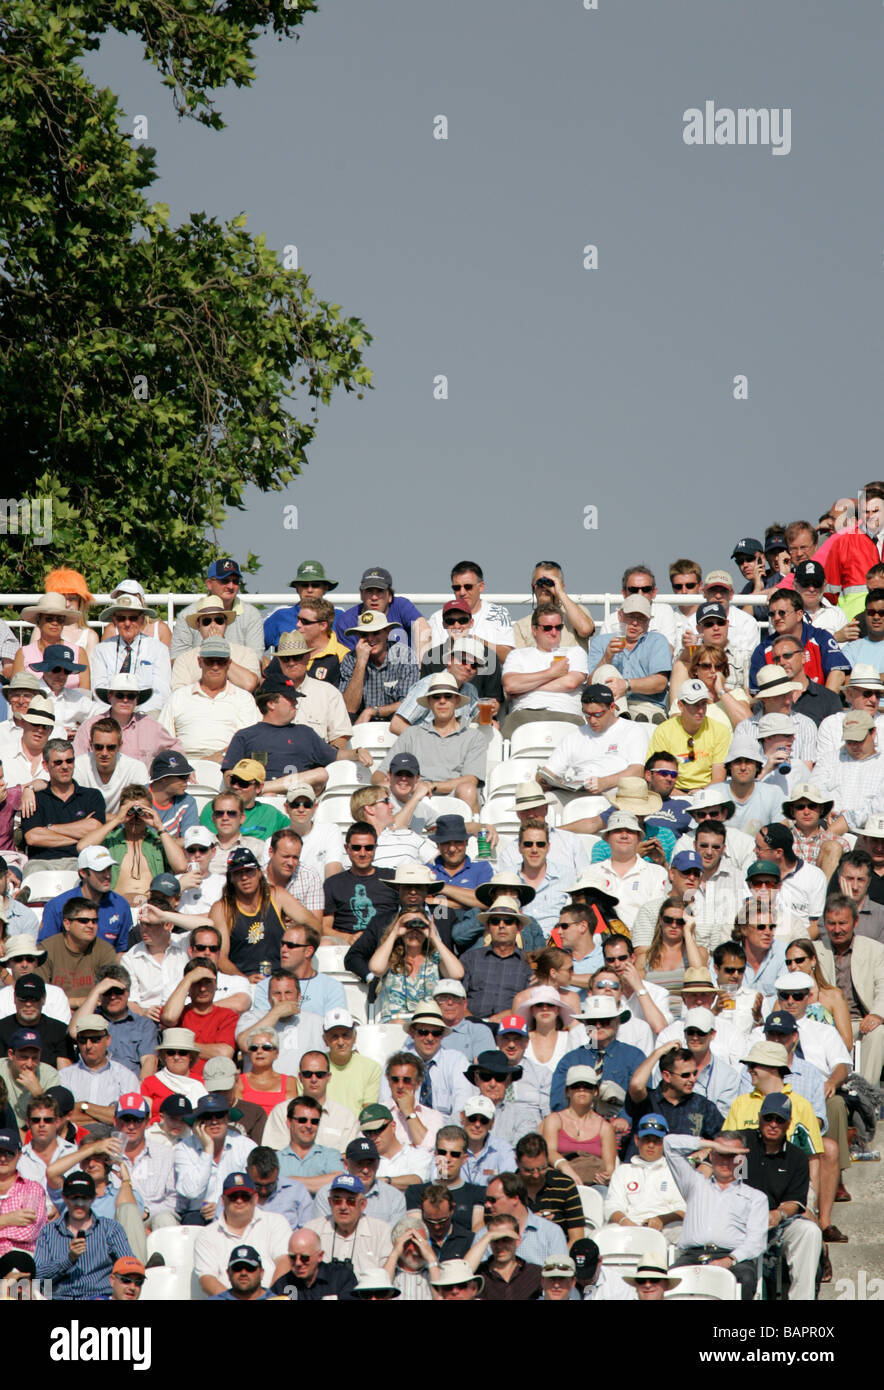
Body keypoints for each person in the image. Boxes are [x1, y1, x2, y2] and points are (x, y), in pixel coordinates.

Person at [736, 1093, 824, 1301]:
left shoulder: (798, 1157)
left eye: (780, 1120)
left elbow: (795, 1202)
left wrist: (779, 1214)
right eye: (769, 1118)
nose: (773, 1124)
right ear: (759, 1117)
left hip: (777, 1224)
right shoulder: (741, 1142)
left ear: (788, 1123)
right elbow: (716, 1158)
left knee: (809, 1231)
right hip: (739, 1222)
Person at [664, 1131, 768, 1300]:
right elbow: (669, 1144)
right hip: (692, 1256)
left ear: (741, 1159)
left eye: (732, 1155)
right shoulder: (694, 1184)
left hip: (734, 1260)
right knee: (666, 1279)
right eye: (721, 1153)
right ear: (711, 1156)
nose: (725, 1161)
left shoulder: (756, 1197)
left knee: (746, 1279)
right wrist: (710, 1144)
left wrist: (729, 1260)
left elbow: (756, 1242)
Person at [380, 673, 487, 814]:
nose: (442, 701)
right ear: (429, 703)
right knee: (381, 787)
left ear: (456, 701)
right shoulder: (412, 734)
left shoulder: (474, 736)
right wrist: (394, 783)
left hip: (454, 798)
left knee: (467, 789)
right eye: (436, 697)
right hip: (414, 797)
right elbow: (379, 774)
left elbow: (471, 780)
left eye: (448, 696)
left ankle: (472, 834)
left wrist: (431, 786)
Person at [75, 783, 187, 904]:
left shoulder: (159, 840)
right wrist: (117, 819)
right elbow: (82, 847)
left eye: (141, 812)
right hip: (115, 907)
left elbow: (181, 866)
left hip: (151, 908)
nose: (136, 817)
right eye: (130, 812)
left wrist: (159, 826)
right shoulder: (111, 840)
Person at [815, 895, 884, 1085]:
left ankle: (866, 1092)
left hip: (861, 1022)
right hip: (827, 1023)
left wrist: (877, 1015)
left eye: (843, 923)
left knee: (878, 1032)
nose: (837, 930)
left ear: (856, 921)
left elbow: (883, 985)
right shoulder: (815, 950)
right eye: (831, 924)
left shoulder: (875, 950)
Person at [34, 1169, 132, 1300]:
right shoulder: (49, 1232)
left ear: (93, 1199)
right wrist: (68, 1258)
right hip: (59, 1298)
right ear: (64, 1198)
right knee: (15, 1281)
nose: (79, 1204)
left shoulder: (110, 1228)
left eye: (84, 1198)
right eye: (74, 1198)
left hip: (99, 1297)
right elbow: (38, 1278)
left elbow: (128, 1268)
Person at [193, 1170, 291, 1295]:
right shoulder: (206, 1235)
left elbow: (284, 1262)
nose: (239, 1201)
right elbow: (207, 1279)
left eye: (245, 1196)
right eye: (234, 1196)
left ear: (255, 1198)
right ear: (223, 1200)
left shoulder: (276, 1222)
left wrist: (267, 1298)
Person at [159, 641, 259, 762]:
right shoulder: (178, 697)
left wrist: (219, 756)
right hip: (184, 763)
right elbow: (162, 740)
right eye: (209, 661)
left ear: (229, 664)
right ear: (199, 662)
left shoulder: (243, 698)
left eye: (221, 662)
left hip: (228, 762)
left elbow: (249, 740)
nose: (215, 667)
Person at [501, 604, 588, 737]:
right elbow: (510, 685)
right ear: (534, 630)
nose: (554, 633)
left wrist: (525, 687)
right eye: (547, 628)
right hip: (524, 714)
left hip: (566, 714)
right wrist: (552, 673)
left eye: (558, 627)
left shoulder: (575, 652)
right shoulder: (517, 655)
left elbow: (570, 683)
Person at [21, 736, 105, 873]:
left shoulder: (91, 796)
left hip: (80, 861)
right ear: (45, 766)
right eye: (58, 762)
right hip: (42, 863)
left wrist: (49, 828)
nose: (65, 766)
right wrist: (81, 838)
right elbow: (33, 837)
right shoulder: (35, 798)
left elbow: (95, 828)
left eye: (69, 761)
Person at [549, 994, 645, 1112]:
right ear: (585, 1024)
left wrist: (624, 1119)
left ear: (617, 1022)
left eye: (604, 1021)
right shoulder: (570, 1060)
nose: (598, 1026)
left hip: (623, 1127)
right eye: (592, 1022)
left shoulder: (634, 1056)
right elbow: (558, 1102)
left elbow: (643, 1098)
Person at [369, 910, 463, 1024]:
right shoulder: (390, 957)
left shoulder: (435, 958)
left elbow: (457, 974)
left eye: (419, 927)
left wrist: (434, 936)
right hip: (394, 1024)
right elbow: (375, 968)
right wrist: (394, 933)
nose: (414, 932)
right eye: (409, 926)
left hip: (429, 1025)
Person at [627, 1044, 724, 1155]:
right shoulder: (647, 1101)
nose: (693, 1079)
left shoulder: (703, 1106)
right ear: (667, 1076)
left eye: (695, 1073)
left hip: (686, 1170)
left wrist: (706, 1152)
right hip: (643, 1170)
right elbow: (636, 1085)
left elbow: (724, 1140)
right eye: (685, 1075)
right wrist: (658, 1052)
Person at [587, 594, 671, 718]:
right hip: (610, 707)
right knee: (606, 669)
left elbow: (660, 683)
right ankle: (623, 717)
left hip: (647, 706)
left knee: (647, 716)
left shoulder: (657, 641)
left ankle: (623, 721)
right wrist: (607, 658)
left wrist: (626, 685)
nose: (635, 622)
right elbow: (591, 684)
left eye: (641, 618)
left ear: (649, 621)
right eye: (630, 616)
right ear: (620, 616)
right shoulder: (601, 642)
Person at [604, 1111, 685, 1239]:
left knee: (682, 1233)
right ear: (636, 1140)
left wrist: (660, 1220)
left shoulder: (675, 1171)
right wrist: (626, 1222)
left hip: (666, 1228)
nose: (651, 1145)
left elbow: (683, 1210)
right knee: (599, 1236)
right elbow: (612, 1206)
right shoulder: (623, 1170)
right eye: (646, 1140)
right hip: (628, 1225)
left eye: (657, 1140)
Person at [74, 672, 182, 766]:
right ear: (109, 697)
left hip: (140, 787)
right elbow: (79, 761)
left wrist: (174, 766)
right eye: (120, 695)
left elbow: (174, 747)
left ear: (137, 699)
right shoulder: (89, 726)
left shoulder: (151, 726)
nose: (125, 700)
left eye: (131, 696)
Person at [39, 847, 132, 953]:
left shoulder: (121, 905)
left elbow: (123, 950)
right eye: (100, 870)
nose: (108, 875)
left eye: (109, 868)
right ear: (83, 872)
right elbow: (45, 949)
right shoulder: (57, 906)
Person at [70, 966, 158, 1080]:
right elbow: (74, 1031)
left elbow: (149, 1061)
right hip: (92, 1082)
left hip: (128, 1088)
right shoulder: (89, 1017)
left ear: (128, 992)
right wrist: (96, 991)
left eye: (118, 991)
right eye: (107, 992)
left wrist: (139, 1093)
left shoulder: (144, 1025)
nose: (112, 996)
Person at [91, 593, 172, 714]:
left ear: (141, 619)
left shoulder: (158, 649)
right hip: (110, 714)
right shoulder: (101, 650)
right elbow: (98, 690)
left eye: (133, 618)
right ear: (114, 620)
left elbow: (161, 691)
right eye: (121, 618)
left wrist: (138, 712)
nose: (127, 623)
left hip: (146, 713)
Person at [645, 679, 730, 792]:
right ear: (680, 705)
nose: (700, 710)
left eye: (703, 703)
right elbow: (656, 775)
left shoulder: (720, 731)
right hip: (671, 791)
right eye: (694, 704)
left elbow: (718, 779)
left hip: (708, 791)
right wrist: (680, 795)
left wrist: (701, 793)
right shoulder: (664, 731)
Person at [234, 969, 324, 1074]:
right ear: (268, 998)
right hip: (261, 1089)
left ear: (299, 996)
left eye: (288, 993)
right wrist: (276, 1013)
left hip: (298, 1088)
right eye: (277, 993)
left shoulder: (316, 1022)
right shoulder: (252, 1017)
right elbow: (245, 1044)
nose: (283, 998)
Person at [426, 561, 514, 666]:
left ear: (481, 587)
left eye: (468, 587)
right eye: (457, 588)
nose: (462, 592)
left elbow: (508, 657)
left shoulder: (499, 613)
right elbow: (433, 660)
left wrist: (475, 641)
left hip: (487, 677)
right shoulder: (437, 618)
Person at [459, 898, 534, 1021]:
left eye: (508, 921)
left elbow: (532, 1001)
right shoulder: (470, 958)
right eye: (495, 921)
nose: (501, 925)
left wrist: (505, 1016)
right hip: (471, 1025)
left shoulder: (530, 963)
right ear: (487, 927)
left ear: (519, 928)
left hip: (513, 1027)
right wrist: (473, 1023)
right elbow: (458, 997)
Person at [305, 1172, 394, 1276]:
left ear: (362, 1204)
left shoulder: (381, 1231)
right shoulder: (312, 1230)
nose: (343, 1207)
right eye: (337, 1200)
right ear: (330, 1202)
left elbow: (386, 1279)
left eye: (350, 1201)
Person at [160, 960, 237, 1078]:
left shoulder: (227, 1015)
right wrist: (188, 979)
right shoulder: (178, 1012)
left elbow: (224, 1053)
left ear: (216, 984)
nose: (202, 989)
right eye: (197, 983)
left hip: (213, 1081)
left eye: (207, 982)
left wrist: (181, 1045)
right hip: (178, 1080)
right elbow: (169, 1018)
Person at [339, 610, 420, 722]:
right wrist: (361, 663)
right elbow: (348, 708)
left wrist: (372, 711)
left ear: (387, 632)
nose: (371, 639)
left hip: (395, 725)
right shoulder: (350, 659)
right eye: (364, 635)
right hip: (361, 727)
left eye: (376, 632)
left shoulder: (405, 655)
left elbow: (408, 703)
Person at [539, 1064, 613, 1186]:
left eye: (587, 1086)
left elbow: (610, 1168)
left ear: (595, 1091)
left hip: (594, 1184)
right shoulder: (554, 1120)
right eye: (576, 1086)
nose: (581, 1090)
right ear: (568, 1091)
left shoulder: (605, 1128)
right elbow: (549, 1151)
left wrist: (606, 1178)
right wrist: (565, 1167)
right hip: (559, 1181)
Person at [37, 899, 119, 1009]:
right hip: (54, 1013)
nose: (91, 925)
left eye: (94, 921)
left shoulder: (105, 950)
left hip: (94, 1015)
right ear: (67, 924)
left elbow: (110, 994)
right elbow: (39, 996)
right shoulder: (47, 949)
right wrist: (78, 1002)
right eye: (83, 921)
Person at [173, 595, 261, 693]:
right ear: (198, 625)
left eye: (219, 620)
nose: (213, 625)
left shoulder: (246, 653)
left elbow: (248, 684)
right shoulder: (184, 660)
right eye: (207, 621)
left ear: (226, 623)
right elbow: (179, 696)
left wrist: (219, 648)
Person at [481, 1172, 568, 1265]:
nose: (487, 1205)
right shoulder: (483, 1236)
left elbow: (562, 1273)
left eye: (493, 1200)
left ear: (514, 1198)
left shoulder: (551, 1232)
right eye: (486, 1200)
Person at [514, 1133, 585, 1245]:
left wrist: (559, 1260)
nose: (536, 1175)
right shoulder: (505, 1188)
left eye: (542, 1168)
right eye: (529, 1170)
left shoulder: (565, 1185)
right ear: (517, 1163)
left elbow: (577, 1237)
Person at [274, 1094, 343, 1191]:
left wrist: (288, 1181)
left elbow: (339, 1181)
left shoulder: (330, 1155)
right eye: (302, 1120)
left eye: (314, 1121)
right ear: (289, 1122)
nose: (309, 1126)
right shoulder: (275, 1160)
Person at [268, 1226, 358, 1300]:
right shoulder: (282, 1285)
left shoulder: (341, 1278)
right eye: (293, 1257)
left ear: (320, 1256)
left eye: (305, 1258)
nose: (298, 1263)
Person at [473, 1213, 542, 1301]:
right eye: (495, 1240)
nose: (500, 1246)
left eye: (506, 1240)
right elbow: (464, 1270)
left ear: (518, 1241)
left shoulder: (534, 1273)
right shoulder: (479, 1274)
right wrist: (487, 1237)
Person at [0, 1127, 47, 1256]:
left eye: (9, 1153)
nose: (3, 1159)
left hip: (21, 1258)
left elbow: (29, 1233)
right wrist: (8, 1219)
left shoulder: (32, 1189)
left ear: (19, 1154)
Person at [140, 1028, 207, 1116]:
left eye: (182, 1053)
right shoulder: (149, 1083)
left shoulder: (202, 1082)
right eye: (171, 1052)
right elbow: (145, 1118)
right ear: (164, 1056)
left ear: (191, 1056)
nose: (176, 1057)